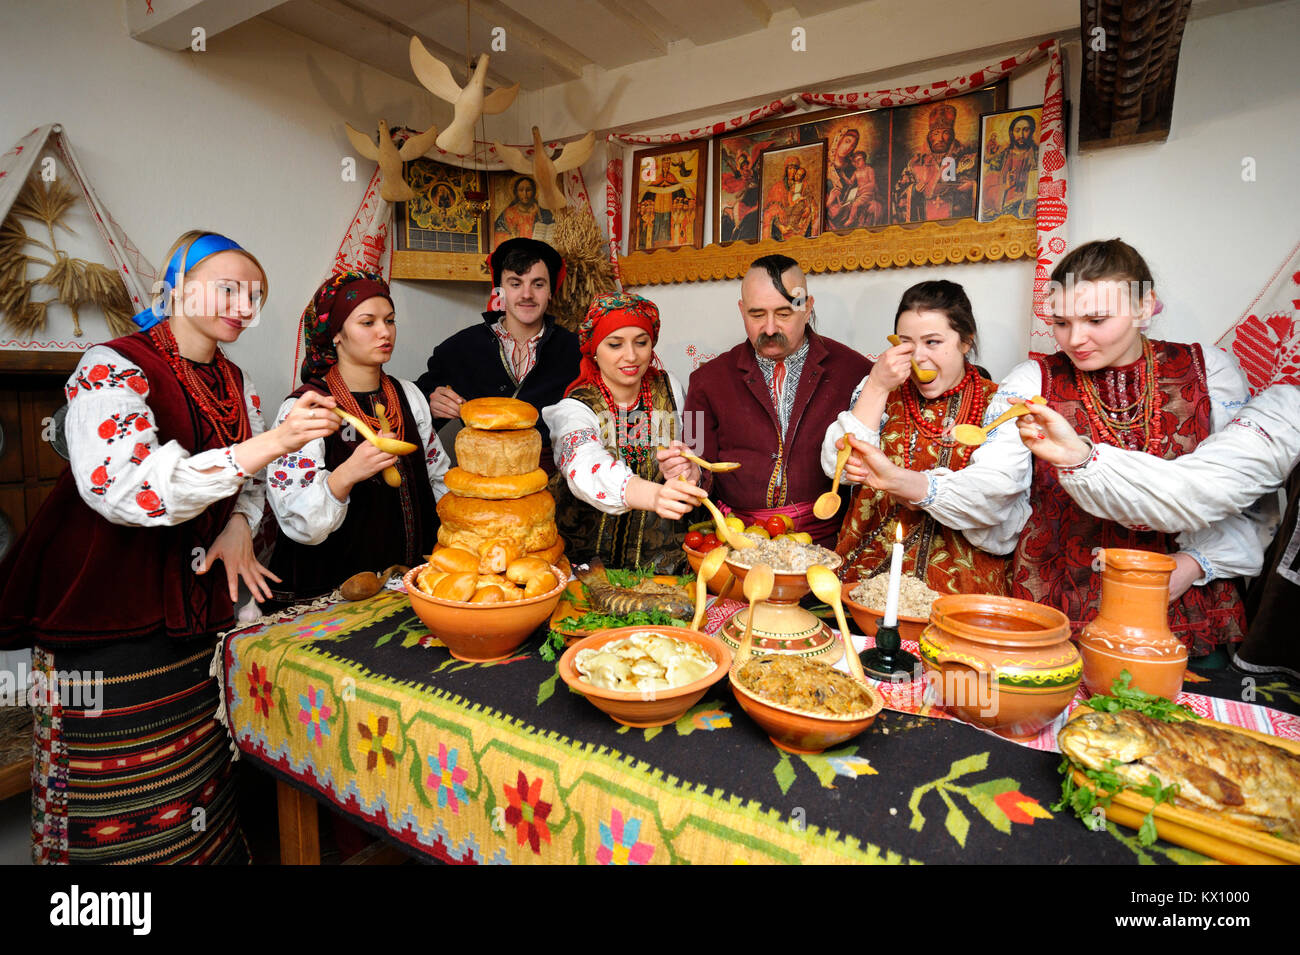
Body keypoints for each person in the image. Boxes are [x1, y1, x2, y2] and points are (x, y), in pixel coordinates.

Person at [0, 231, 340, 864]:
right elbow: (126, 488)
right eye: (228, 288)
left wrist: (240, 521)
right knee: (112, 810)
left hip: (196, 618)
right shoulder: (111, 367)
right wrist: (270, 445)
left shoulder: (236, 382)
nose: (244, 305)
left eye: (255, 296)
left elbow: (248, 481)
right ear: (176, 286)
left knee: (198, 790)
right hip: (105, 620)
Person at [1000, 238, 1258, 657]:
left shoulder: (1208, 371)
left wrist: (1192, 567)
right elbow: (997, 489)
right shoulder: (1033, 382)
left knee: (1179, 721)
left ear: (1144, 306)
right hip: (1061, 603)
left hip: (1185, 603)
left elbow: (1248, 494)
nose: (1074, 339)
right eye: (1061, 322)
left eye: (1096, 319)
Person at [1017, 384, 1299, 675]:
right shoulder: (1289, 409)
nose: (1078, 338)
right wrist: (1081, 458)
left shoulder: (1212, 372)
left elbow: (1253, 511)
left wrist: (1200, 562)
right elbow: (1204, 488)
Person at [821, 281, 1028, 593]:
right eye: (905, 343)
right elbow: (837, 466)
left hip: (960, 586)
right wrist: (877, 384)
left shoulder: (998, 405)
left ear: (966, 341)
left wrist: (912, 486)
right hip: (865, 578)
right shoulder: (878, 390)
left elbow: (993, 499)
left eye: (932, 342)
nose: (918, 358)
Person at [659, 254, 871, 548]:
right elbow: (694, 453)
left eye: (783, 314)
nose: (770, 328)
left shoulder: (854, 371)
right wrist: (690, 472)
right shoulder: (705, 379)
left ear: (807, 308)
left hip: (824, 546)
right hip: (733, 543)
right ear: (741, 310)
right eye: (757, 315)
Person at [266, 271, 449, 602]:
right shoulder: (307, 406)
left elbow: (439, 479)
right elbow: (297, 520)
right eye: (368, 322)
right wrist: (348, 473)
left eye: (389, 320)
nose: (384, 332)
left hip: (410, 585)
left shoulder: (409, 395)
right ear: (336, 333)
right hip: (330, 594)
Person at [543, 294, 706, 571]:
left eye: (641, 343)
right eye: (615, 344)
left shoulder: (671, 388)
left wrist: (691, 472)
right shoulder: (575, 408)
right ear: (594, 349)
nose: (631, 356)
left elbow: (698, 453)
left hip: (665, 570)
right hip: (585, 570)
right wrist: (653, 495)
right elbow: (584, 466)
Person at [416, 237, 580, 473]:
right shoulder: (459, 349)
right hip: (481, 480)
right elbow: (413, 412)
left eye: (538, 284)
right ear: (500, 291)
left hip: (553, 481)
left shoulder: (575, 350)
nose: (527, 294)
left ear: (551, 292)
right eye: (515, 283)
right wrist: (431, 404)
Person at [892, 103, 977, 222]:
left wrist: (972, 187)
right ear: (929, 137)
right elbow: (898, 192)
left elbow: (982, 186)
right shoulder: (916, 162)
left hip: (957, 221)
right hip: (923, 222)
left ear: (952, 136)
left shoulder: (967, 159)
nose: (940, 138)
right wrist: (914, 190)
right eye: (936, 133)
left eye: (945, 133)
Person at [981, 114, 1039, 220]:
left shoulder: (1038, 155)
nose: (1021, 135)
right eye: (1017, 130)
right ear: (1011, 133)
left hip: (1029, 210)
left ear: (1031, 132)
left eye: (1025, 130)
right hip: (1003, 210)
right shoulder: (1001, 157)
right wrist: (1005, 187)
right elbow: (986, 190)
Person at [493, 175, 553, 245]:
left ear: (534, 192)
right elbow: (498, 236)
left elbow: (552, 232)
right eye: (521, 190)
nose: (525, 194)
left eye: (528, 190)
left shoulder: (542, 213)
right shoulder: (508, 213)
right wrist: (512, 237)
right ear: (516, 192)